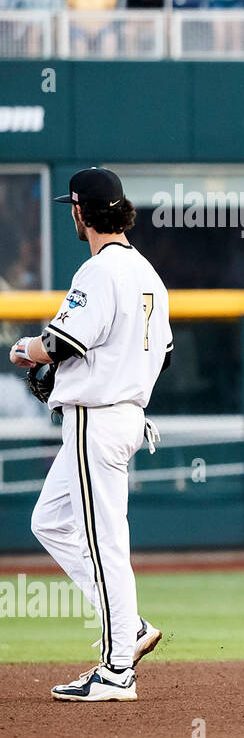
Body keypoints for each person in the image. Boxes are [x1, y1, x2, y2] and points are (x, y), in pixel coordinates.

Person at [9, 167, 172, 703]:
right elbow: (163, 352)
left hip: (98, 420)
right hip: (125, 415)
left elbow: (59, 345)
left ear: (81, 212)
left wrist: (25, 350)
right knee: (51, 521)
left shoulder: (99, 271)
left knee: (106, 541)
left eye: (71, 209)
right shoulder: (149, 273)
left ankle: (117, 669)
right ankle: (132, 628)